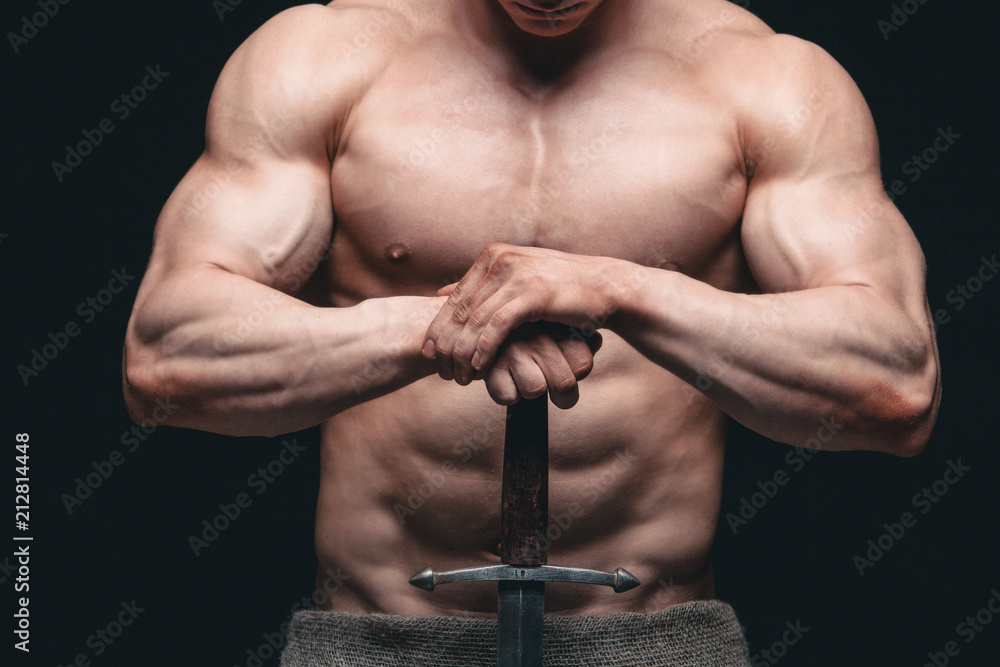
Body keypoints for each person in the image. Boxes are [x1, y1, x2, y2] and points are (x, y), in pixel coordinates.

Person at [123, 0, 941, 664]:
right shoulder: (322, 60)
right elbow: (167, 354)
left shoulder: (763, 80)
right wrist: (448, 325)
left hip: (652, 639)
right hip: (376, 636)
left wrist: (619, 288)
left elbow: (896, 383)